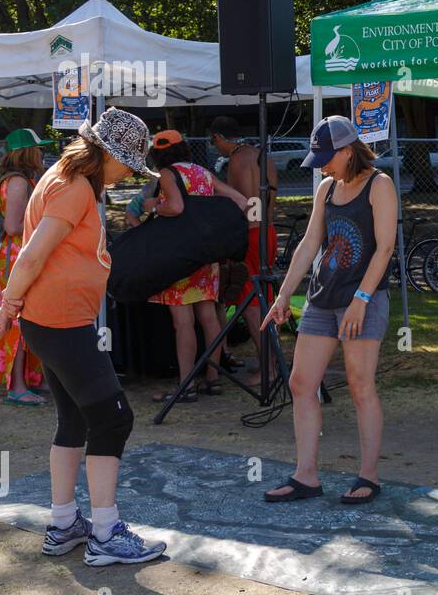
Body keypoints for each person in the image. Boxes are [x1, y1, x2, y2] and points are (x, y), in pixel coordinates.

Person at [0, 108, 167, 565]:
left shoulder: (62, 177)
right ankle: (105, 533)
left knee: (76, 420)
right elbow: (29, 256)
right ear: (105, 153)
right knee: (113, 419)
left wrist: (13, 309)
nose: (129, 171)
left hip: (52, 319)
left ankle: (64, 522)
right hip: (59, 320)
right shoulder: (73, 187)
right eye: (127, 161)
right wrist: (7, 308)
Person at [262, 116, 395, 505]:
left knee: (359, 386)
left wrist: (361, 301)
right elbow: (309, 244)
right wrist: (284, 295)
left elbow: (385, 248)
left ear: (348, 150)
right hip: (323, 298)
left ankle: (368, 476)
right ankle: (306, 476)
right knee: (301, 384)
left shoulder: (379, 185)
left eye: (326, 157)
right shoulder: (325, 188)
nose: (321, 165)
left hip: (362, 301)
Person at [141, 130, 248, 403]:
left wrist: (154, 207)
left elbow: (175, 208)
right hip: (205, 255)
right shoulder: (201, 172)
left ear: (157, 153)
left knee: (183, 323)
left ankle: (185, 385)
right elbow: (239, 199)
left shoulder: (167, 175)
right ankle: (212, 380)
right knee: (209, 318)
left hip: (177, 257)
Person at [209, 116, 279, 387]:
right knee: (265, 300)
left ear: (219, 138)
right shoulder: (263, 155)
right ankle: (273, 363)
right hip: (269, 231)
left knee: (251, 304)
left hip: (252, 234)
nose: (216, 149)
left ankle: (268, 368)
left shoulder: (238, 160)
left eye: (215, 143)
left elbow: (249, 204)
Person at [0, 129, 56, 406]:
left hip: (23, 256)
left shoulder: (24, 179)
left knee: (31, 318)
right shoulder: (19, 181)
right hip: (17, 259)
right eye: (38, 149)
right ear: (27, 152)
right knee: (17, 321)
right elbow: (12, 226)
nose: (42, 154)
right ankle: (17, 385)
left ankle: (31, 379)